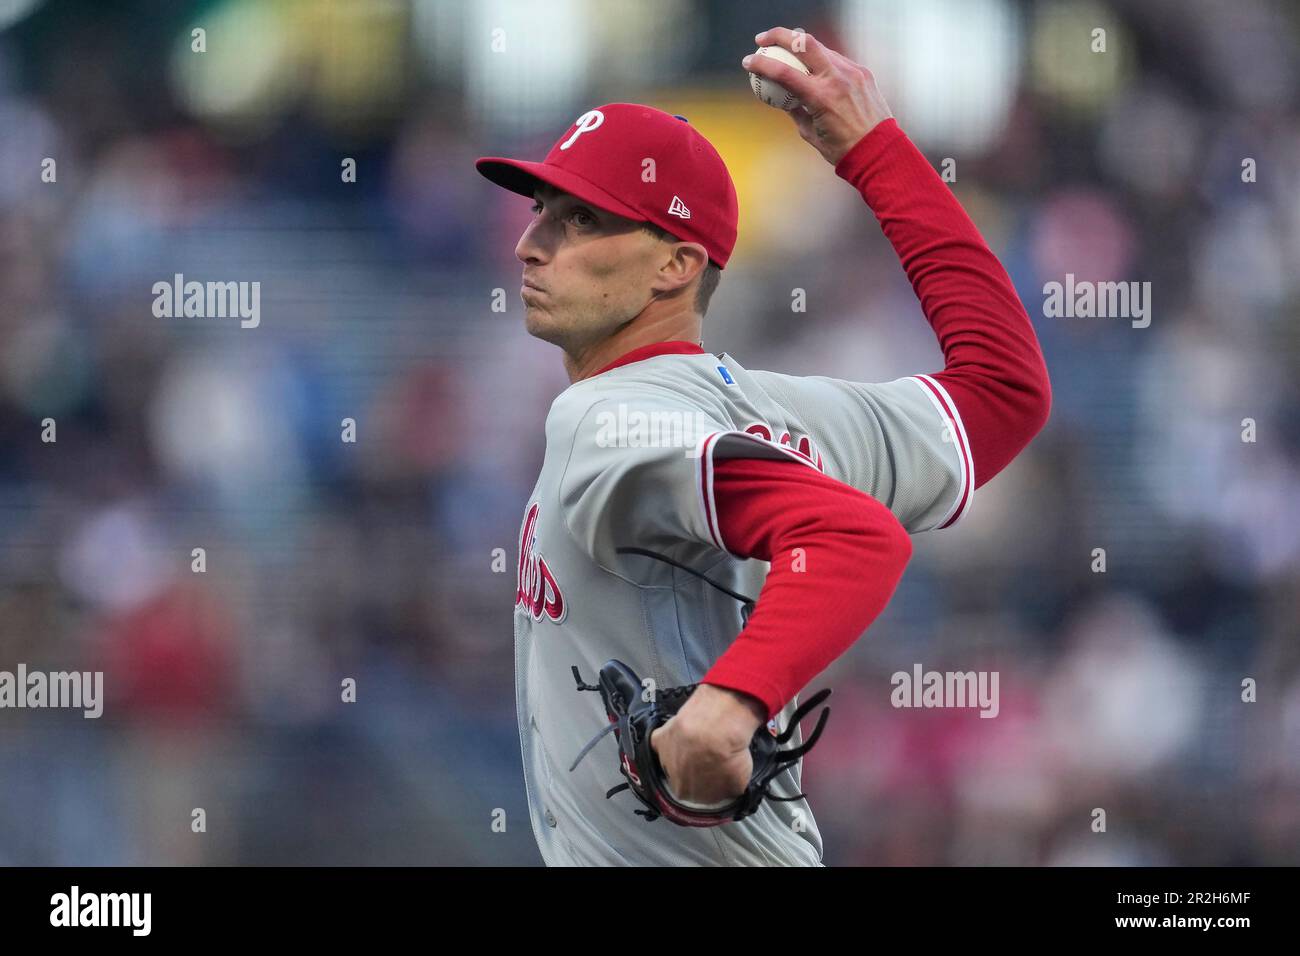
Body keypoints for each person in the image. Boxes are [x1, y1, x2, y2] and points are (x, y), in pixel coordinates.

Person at [474, 26, 1050, 866]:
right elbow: (1004, 392)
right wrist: (877, 152)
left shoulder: (605, 417)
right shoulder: (779, 412)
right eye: (540, 215)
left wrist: (730, 702)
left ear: (675, 265)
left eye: (579, 220)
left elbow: (855, 538)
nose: (532, 243)